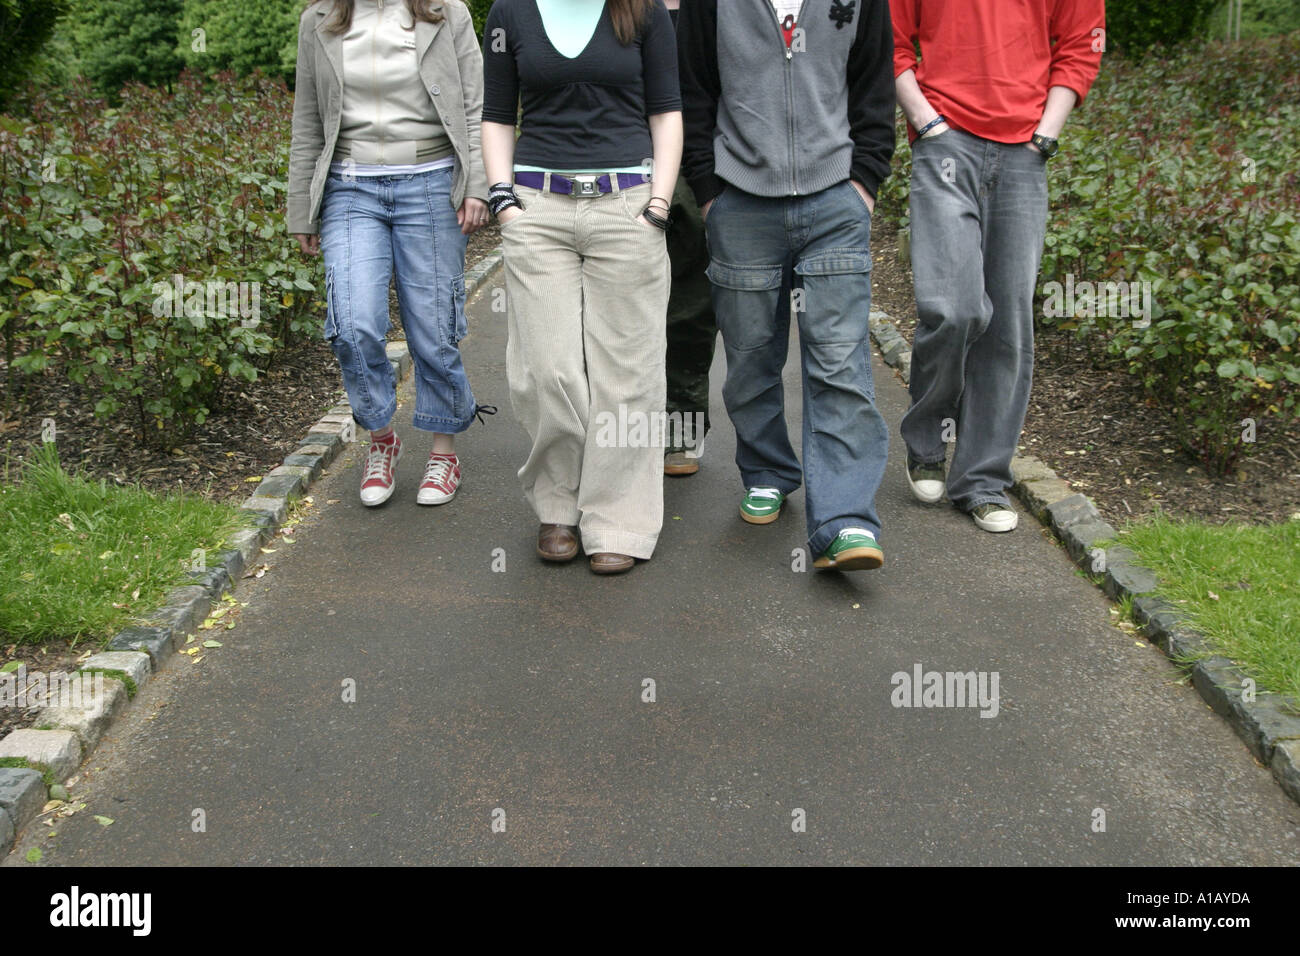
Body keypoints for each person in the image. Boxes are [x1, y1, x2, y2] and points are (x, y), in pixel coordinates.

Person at [677, 0, 895, 572]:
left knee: (839, 362)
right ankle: (768, 470)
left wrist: (864, 183)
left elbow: (874, 86)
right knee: (750, 358)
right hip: (741, 204)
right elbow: (692, 91)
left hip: (834, 203)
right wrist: (709, 192)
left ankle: (845, 519)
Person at [481, 0, 683, 575]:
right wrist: (504, 203)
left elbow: (667, 111)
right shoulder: (509, 13)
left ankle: (618, 519)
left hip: (627, 207)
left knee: (629, 374)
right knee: (548, 368)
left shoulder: (643, 11)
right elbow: (497, 114)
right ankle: (558, 504)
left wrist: (658, 207)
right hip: (537, 211)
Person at [892, 0, 1105, 532]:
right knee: (954, 307)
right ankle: (928, 437)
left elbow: (1080, 48)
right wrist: (925, 119)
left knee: (1007, 321)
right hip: (946, 143)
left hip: (1025, 152)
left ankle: (982, 481)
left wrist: (1046, 133)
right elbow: (889, 42)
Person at [288, 0, 490, 509]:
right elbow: (307, 122)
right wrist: (301, 211)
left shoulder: (447, 14)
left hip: (431, 184)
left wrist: (479, 186)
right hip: (349, 190)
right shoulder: (319, 20)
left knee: (433, 323)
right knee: (352, 322)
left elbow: (474, 106)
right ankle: (381, 437)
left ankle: (443, 450)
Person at [661, 0, 716, 478]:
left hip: (700, 151)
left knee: (691, 302)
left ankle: (681, 426)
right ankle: (615, 426)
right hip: (623, 147)